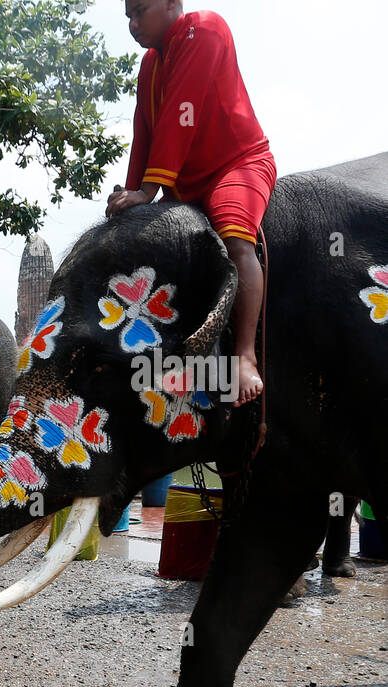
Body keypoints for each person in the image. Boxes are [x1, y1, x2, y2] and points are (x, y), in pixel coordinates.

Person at [106, 1, 274, 406]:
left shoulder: (205, 30)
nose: (132, 24)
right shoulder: (150, 64)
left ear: (172, 4)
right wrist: (130, 198)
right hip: (183, 185)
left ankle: (245, 357)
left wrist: (148, 191)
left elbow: (182, 112)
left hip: (236, 165)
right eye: (127, 15)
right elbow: (144, 132)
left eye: (140, 11)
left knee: (235, 238)